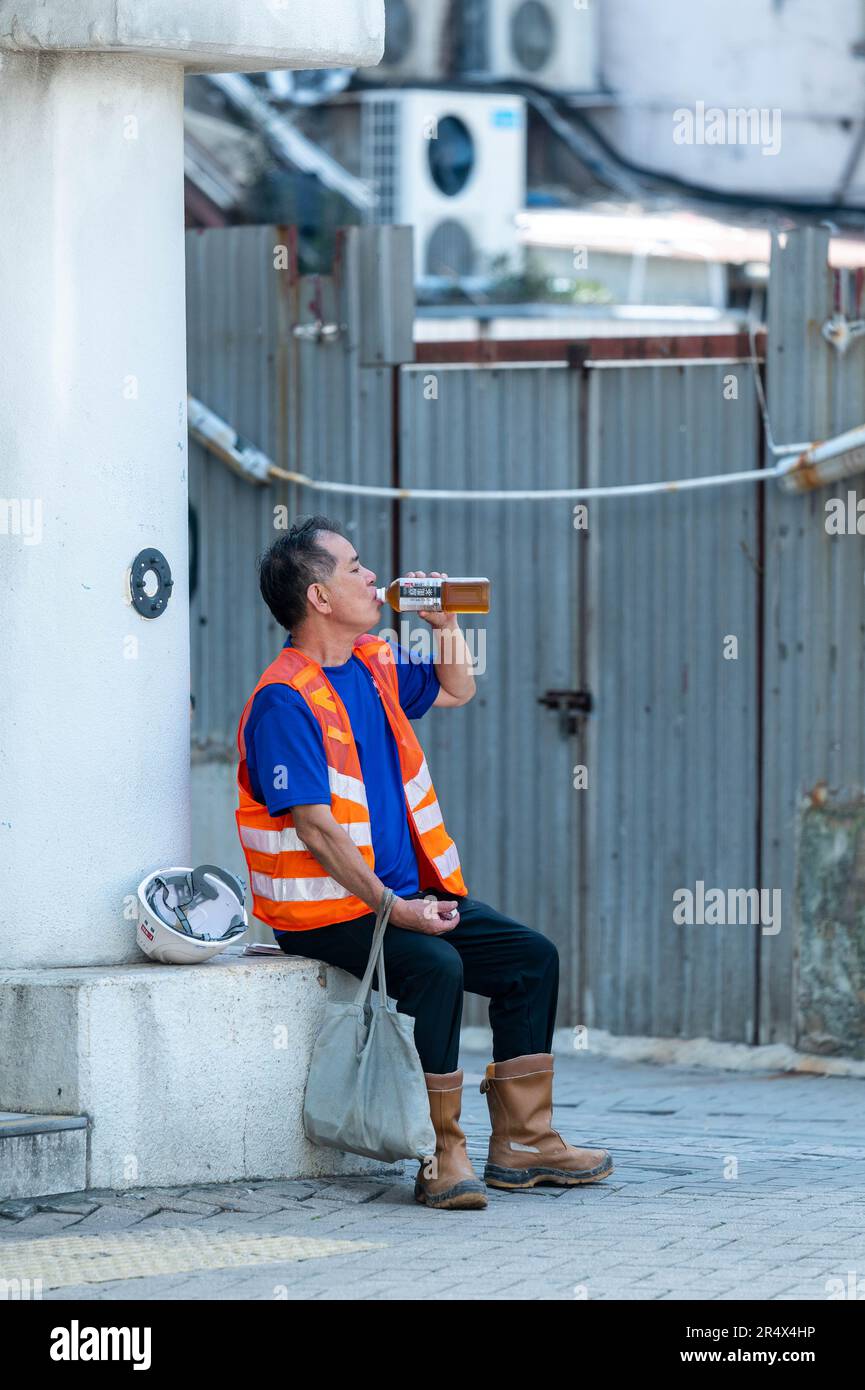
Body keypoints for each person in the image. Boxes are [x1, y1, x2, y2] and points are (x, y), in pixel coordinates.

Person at [235, 514, 612, 1212]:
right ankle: (441, 1154)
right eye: (354, 567)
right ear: (318, 597)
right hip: (325, 911)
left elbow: (456, 689)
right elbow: (316, 831)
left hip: (404, 895)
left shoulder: (374, 662)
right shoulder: (282, 700)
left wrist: (443, 626)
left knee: (531, 958)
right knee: (435, 968)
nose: (372, 575)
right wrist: (393, 908)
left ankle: (524, 1145)